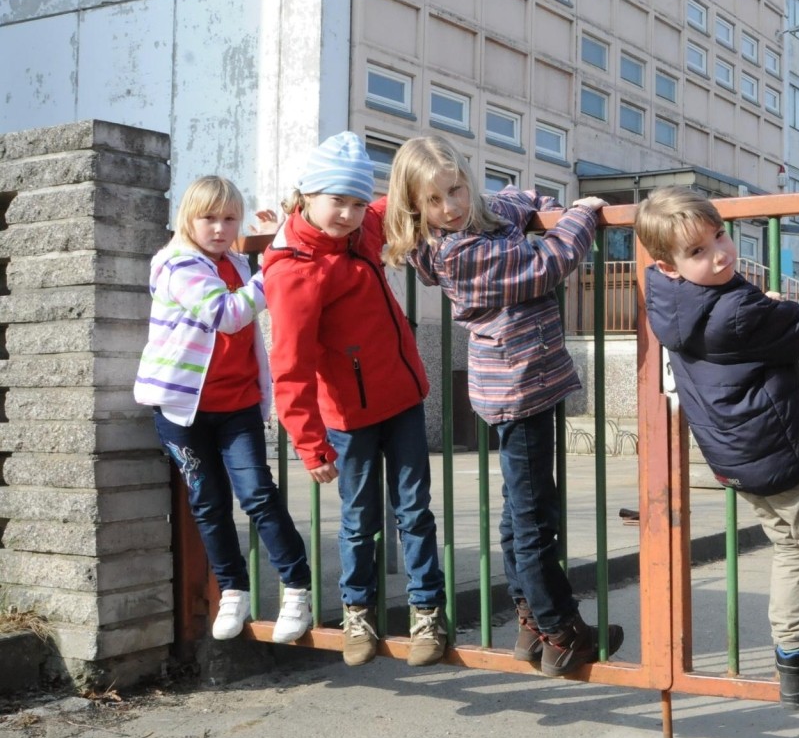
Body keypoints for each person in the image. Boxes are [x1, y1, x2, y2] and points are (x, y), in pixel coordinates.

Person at [637, 185, 799, 710]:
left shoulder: (669, 300)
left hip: (735, 459)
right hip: (780, 454)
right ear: (668, 265)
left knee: (789, 548)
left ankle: (794, 662)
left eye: (720, 236)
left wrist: (761, 307)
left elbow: (747, 329)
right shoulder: (734, 311)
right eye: (698, 251)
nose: (719, 254)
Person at [377, 135, 622, 676]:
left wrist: (542, 205)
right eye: (434, 201)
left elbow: (513, 200)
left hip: (523, 380)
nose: (451, 207)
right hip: (519, 386)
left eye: (457, 190)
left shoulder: (476, 223)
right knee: (533, 518)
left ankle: (531, 623)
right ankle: (561, 631)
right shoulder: (458, 252)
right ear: (414, 207)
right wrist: (580, 213)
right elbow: (549, 261)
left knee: (521, 511)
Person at [262, 132, 448, 668]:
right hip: (349, 416)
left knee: (415, 511)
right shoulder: (294, 271)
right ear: (306, 196)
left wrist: (454, 191)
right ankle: (357, 614)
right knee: (359, 519)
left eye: (357, 202)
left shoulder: (362, 228)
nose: (348, 214)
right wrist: (310, 444)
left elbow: (400, 200)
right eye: (336, 201)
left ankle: (427, 613)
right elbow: (290, 366)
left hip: (402, 398)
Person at [136, 176, 313, 644]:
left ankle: (297, 588)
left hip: (238, 405)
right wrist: (275, 258)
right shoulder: (178, 265)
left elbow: (256, 283)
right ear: (187, 219)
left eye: (230, 218)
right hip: (182, 410)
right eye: (208, 218)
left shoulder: (234, 261)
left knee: (258, 495)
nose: (219, 228)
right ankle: (233, 590)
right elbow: (229, 314)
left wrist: (274, 238)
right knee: (209, 504)